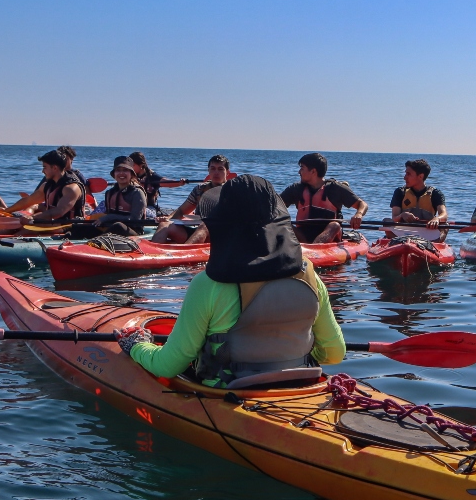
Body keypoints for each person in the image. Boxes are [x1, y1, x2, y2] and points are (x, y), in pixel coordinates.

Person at [114, 174, 346, 389]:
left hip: (230, 393)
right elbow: (335, 354)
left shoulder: (208, 284)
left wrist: (136, 345)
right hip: (300, 385)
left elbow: (166, 366)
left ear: (222, 221)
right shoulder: (309, 276)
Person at [279, 153, 368, 243]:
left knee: (335, 225)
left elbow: (362, 204)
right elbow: (276, 205)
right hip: (303, 237)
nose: (299, 172)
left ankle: (314, 250)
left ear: (313, 171)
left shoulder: (335, 188)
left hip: (330, 236)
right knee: (284, 223)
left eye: (302, 168)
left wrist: (358, 214)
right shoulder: (296, 189)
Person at [152, 155, 230, 243]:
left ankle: (184, 254)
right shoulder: (200, 189)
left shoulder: (232, 191)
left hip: (221, 236)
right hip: (198, 232)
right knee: (164, 225)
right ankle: (152, 254)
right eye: (213, 168)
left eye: (220, 169)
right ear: (208, 171)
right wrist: (168, 218)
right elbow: (182, 211)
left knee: (205, 225)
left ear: (227, 172)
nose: (216, 172)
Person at [5, 149, 87, 223]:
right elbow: (28, 201)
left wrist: (31, 217)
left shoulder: (71, 188)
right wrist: (6, 211)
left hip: (70, 227)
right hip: (53, 224)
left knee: (21, 232)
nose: (42, 171)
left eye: (45, 167)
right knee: (10, 226)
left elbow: (59, 211)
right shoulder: (47, 186)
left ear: (54, 168)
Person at [83, 158, 148, 237]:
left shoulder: (137, 193)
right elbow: (107, 214)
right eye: (118, 170)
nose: (121, 173)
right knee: (84, 227)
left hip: (132, 232)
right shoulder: (110, 193)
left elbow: (135, 219)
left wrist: (109, 217)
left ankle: (97, 241)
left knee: (118, 226)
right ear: (114, 174)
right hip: (110, 229)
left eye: (125, 170)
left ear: (132, 174)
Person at [388, 159, 448, 241]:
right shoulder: (400, 192)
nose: (405, 177)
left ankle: (432, 245)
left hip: (427, 233)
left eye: (408, 174)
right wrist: (402, 215)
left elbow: (444, 214)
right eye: (405, 173)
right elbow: (394, 217)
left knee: (445, 225)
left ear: (420, 176)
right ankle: (398, 243)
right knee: (386, 221)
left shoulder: (435, 193)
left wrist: (436, 219)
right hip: (403, 233)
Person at [128, 151, 168, 215]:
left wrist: (180, 183)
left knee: (143, 212)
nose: (130, 168)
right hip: (133, 206)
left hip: (149, 207)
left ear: (141, 165)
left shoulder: (152, 176)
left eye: (133, 165)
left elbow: (166, 182)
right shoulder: (129, 176)